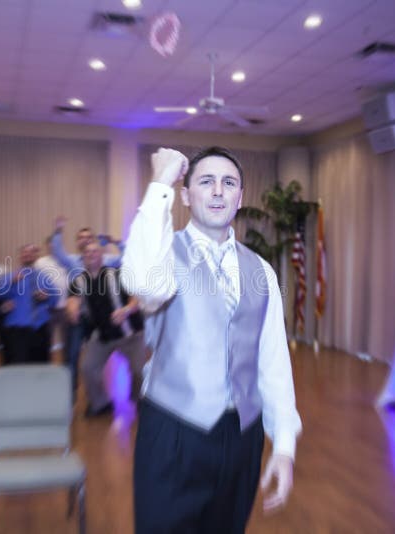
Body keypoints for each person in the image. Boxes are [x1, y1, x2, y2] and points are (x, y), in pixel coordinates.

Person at [122, 147, 302, 533]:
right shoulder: (164, 255)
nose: (218, 191)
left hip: (242, 440)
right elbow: (142, 283)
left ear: (240, 196)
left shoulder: (262, 271)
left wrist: (284, 446)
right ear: (186, 196)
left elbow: (272, 362)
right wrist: (159, 184)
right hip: (173, 434)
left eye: (229, 183)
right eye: (206, 182)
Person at [67, 240, 144, 417]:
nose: (91, 254)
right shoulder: (78, 281)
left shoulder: (117, 274)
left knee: (139, 370)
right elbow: (72, 301)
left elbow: (135, 298)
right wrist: (72, 311)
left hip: (130, 334)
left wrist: (126, 310)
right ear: (83, 257)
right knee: (87, 368)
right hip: (102, 335)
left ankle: (139, 399)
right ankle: (101, 402)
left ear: (102, 256)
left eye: (95, 251)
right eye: (87, 252)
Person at [49, 217, 124, 400]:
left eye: (89, 237)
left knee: (100, 359)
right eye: (81, 237)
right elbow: (57, 251)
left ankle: (99, 397)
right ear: (78, 242)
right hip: (78, 317)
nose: (85, 240)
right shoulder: (72, 261)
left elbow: (126, 256)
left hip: (100, 318)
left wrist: (115, 241)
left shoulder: (105, 260)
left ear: (94, 240)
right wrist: (58, 231)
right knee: (72, 356)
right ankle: (70, 395)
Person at [0, 244, 58, 364]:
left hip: (40, 327)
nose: (28, 255)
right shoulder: (9, 276)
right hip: (18, 328)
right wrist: (11, 282)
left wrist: (47, 297)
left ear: (36, 256)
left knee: (41, 363)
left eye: (31, 252)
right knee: (19, 363)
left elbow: (55, 299)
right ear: (20, 256)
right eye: (25, 252)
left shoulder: (44, 277)